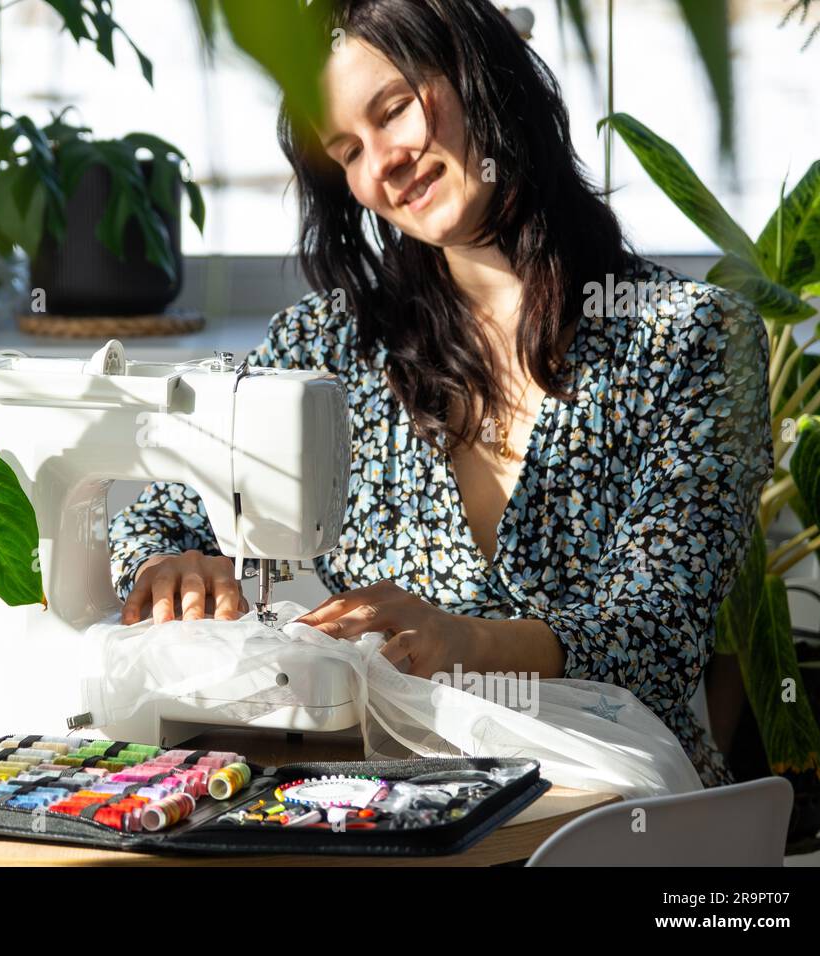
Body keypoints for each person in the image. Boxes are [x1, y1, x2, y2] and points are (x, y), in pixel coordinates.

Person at [107, 0, 772, 788]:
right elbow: (161, 508)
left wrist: (467, 644)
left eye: (393, 111)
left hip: (606, 802)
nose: (382, 161)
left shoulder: (691, 338)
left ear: (482, 74)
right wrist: (173, 562)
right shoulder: (326, 346)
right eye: (348, 150)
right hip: (380, 800)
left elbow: (657, 633)